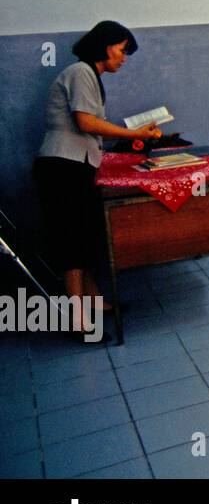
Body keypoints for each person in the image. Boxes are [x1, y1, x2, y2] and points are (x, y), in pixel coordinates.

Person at [33, 21, 162, 333]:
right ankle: (77, 319)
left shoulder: (90, 75)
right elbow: (86, 122)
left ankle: (94, 300)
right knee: (71, 243)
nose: (123, 58)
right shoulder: (81, 72)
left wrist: (133, 137)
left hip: (75, 166)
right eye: (121, 51)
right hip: (62, 167)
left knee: (85, 236)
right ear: (107, 47)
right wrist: (132, 133)